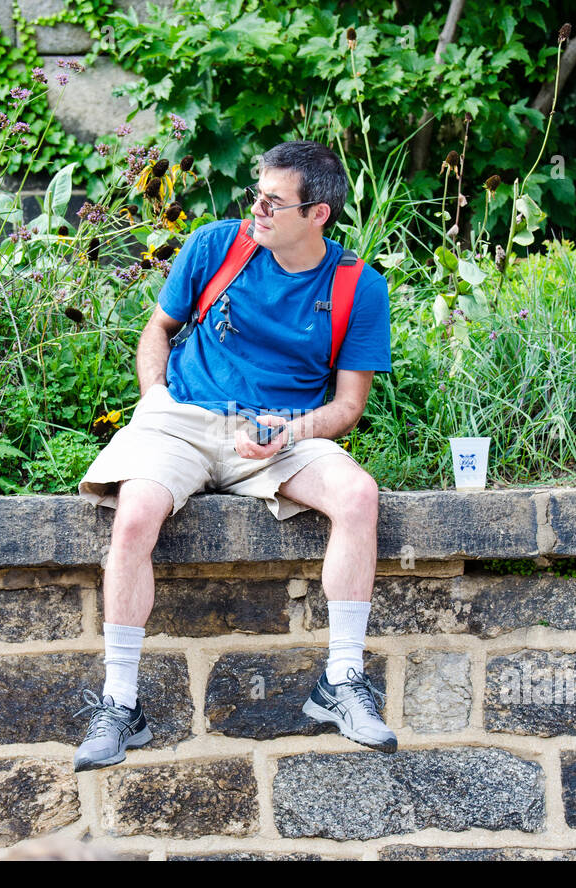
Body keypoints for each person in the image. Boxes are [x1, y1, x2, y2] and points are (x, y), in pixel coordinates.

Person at [75, 140, 395, 772]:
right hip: (183, 419)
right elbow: (158, 330)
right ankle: (120, 703)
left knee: (358, 494)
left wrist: (294, 430)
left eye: (274, 202)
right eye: (257, 193)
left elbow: (347, 407)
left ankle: (342, 680)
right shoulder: (217, 245)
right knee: (135, 515)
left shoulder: (359, 287)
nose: (258, 209)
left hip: (277, 436)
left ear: (318, 214)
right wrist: (155, 400)